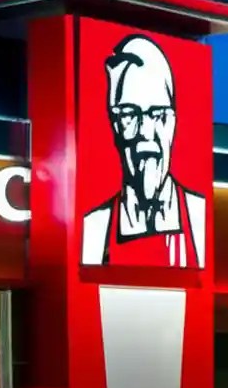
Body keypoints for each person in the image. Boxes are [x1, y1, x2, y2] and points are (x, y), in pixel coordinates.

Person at [80, 35, 205, 269]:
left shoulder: (200, 218)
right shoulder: (93, 230)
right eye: (130, 114)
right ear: (115, 126)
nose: (146, 132)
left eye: (158, 114)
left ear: (173, 123)